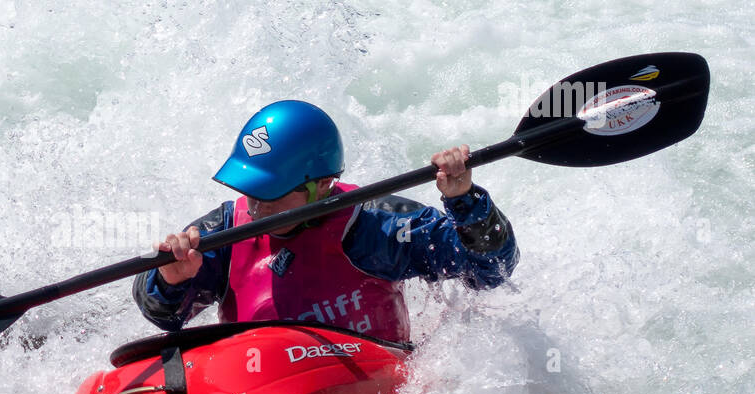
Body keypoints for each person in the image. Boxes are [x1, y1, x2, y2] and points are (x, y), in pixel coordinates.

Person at [133, 100, 518, 342]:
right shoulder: (225, 232)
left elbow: (491, 270)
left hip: (364, 383)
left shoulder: (375, 226)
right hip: (254, 386)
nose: (256, 208)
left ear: (321, 186)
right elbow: (163, 317)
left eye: (272, 194)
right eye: (251, 191)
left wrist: (465, 201)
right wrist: (170, 278)